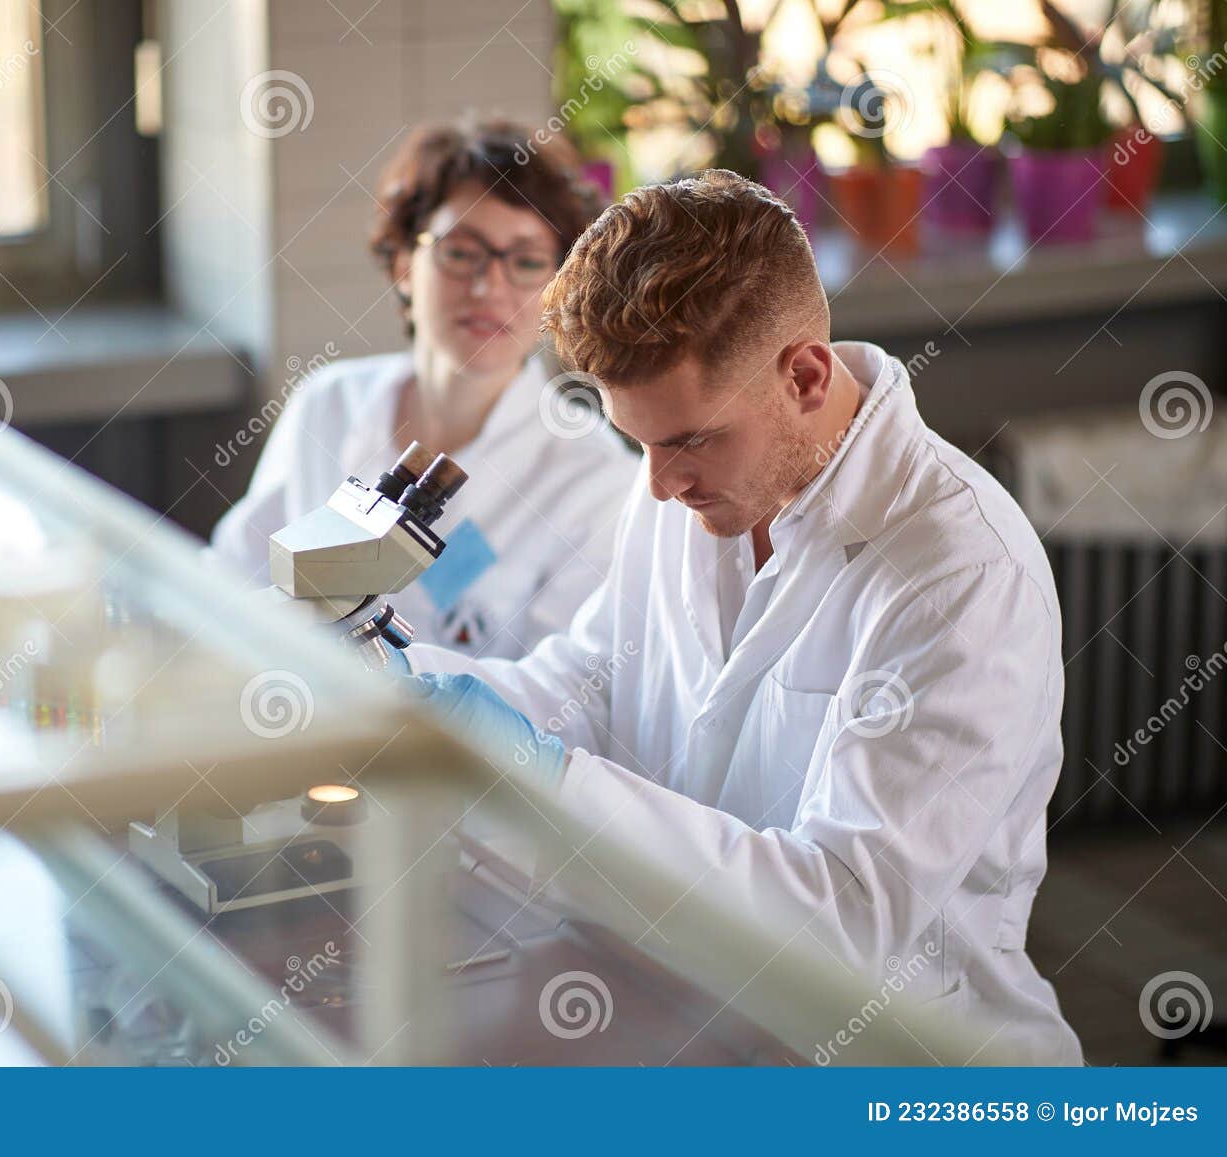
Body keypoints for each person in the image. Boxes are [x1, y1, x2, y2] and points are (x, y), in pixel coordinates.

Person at [408, 171, 1083, 1065]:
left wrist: (547, 781)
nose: (655, 483)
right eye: (638, 441)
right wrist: (409, 694)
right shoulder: (690, 485)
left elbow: (841, 920)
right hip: (695, 1025)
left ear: (804, 374)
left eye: (687, 441)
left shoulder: (958, 573)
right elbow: (595, 682)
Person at [211, 120, 638, 659]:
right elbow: (231, 578)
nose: (488, 287)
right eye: (461, 252)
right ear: (404, 265)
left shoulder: (596, 475)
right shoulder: (329, 403)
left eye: (527, 261)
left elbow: (562, 690)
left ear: (558, 289)